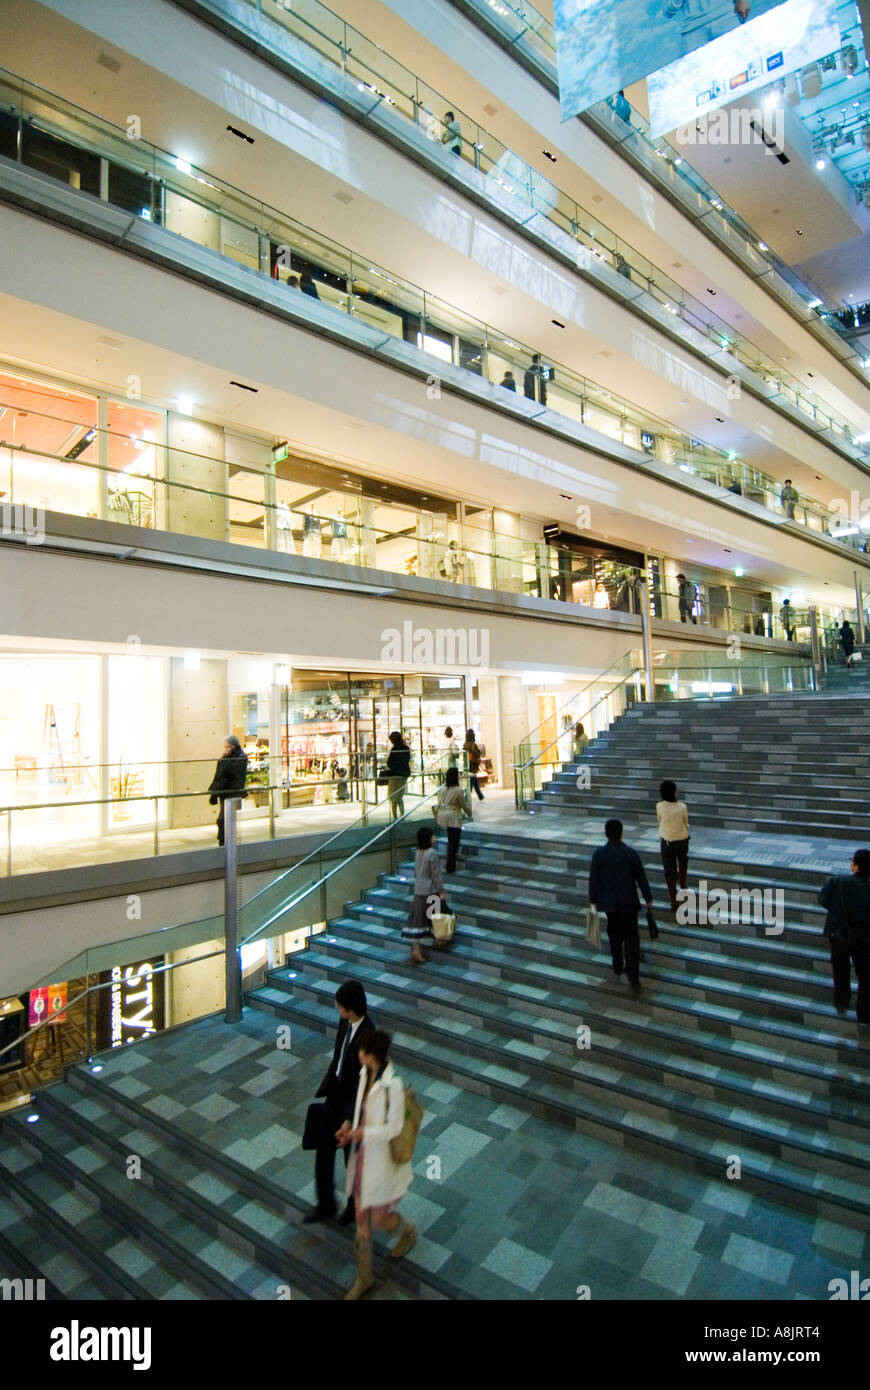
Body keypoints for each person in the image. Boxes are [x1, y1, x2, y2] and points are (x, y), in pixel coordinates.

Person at [337, 1029, 416, 1299]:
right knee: (361, 1217)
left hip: (382, 1163)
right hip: (363, 1159)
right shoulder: (365, 1074)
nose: (357, 1055)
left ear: (371, 1056)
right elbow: (358, 1105)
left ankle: (406, 1231)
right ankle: (364, 1278)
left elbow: (394, 1128)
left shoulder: (393, 1085)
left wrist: (363, 1134)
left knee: (380, 1219)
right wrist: (348, 1124)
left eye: (361, 1051)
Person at [305, 981, 375, 1226]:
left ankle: (354, 1208)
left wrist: (349, 1119)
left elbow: (363, 1085)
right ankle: (325, 1203)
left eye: (340, 1006)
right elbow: (339, 1057)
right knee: (323, 1151)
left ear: (350, 1009)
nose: (338, 1010)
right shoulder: (345, 1023)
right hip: (335, 1096)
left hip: (353, 1107)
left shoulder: (369, 1037)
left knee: (352, 1161)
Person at [588, 818, 653, 995]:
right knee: (632, 938)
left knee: (614, 933)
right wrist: (648, 898)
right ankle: (633, 974)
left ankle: (617, 963)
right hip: (629, 903)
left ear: (606, 834)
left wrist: (592, 900)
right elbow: (641, 878)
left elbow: (594, 879)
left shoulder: (599, 854)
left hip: (609, 904)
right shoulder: (630, 853)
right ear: (622, 833)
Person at [818, 850, 870, 1036]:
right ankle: (864, 1014)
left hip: (838, 934)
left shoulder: (837, 882)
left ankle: (842, 1000)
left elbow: (822, 900)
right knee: (865, 975)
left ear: (855, 865)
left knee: (840, 968)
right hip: (861, 937)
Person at [403, 825, 445, 964]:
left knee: (418, 919)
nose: (435, 837)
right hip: (431, 891)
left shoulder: (418, 853)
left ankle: (416, 948)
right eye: (433, 835)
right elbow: (436, 875)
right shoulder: (432, 853)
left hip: (419, 890)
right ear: (428, 838)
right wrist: (441, 891)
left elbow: (416, 872)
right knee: (435, 915)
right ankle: (438, 939)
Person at [208, 734, 248, 846]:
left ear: (232, 747)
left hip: (232, 792)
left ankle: (226, 842)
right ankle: (224, 841)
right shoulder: (228, 757)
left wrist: (225, 758)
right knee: (222, 819)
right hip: (224, 792)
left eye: (226, 746)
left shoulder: (240, 757)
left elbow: (231, 772)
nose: (224, 749)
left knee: (224, 819)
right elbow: (220, 774)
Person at [656, 780, 690, 912]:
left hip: (666, 841)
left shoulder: (659, 806)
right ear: (674, 792)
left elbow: (659, 820)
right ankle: (683, 882)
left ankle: (673, 901)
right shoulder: (682, 807)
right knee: (682, 860)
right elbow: (686, 822)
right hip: (681, 839)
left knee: (668, 871)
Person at [435, 766, 472, 874]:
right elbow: (463, 804)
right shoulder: (458, 790)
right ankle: (450, 866)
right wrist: (469, 813)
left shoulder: (443, 789)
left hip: (444, 816)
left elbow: (440, 803)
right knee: (454, 842)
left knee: (451, 839)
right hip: (454, 817)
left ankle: (450, 865)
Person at [385, 730, 411, 820]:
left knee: (393, 796)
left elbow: (389, 763)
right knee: (400, 796)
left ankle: (395, 817)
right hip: (404, 774)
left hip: (395, 775)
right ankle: (402, 815)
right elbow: (407, 761)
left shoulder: (394, 749)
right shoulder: (406, 748)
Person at [464, 729, 485, 800]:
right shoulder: (473, 745)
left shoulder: (465, 744)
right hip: (473, 764)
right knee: (472, 780)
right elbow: (478, 753)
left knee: (474, 779)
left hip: (467, 764)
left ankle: (480, 795)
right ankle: (467, 796)